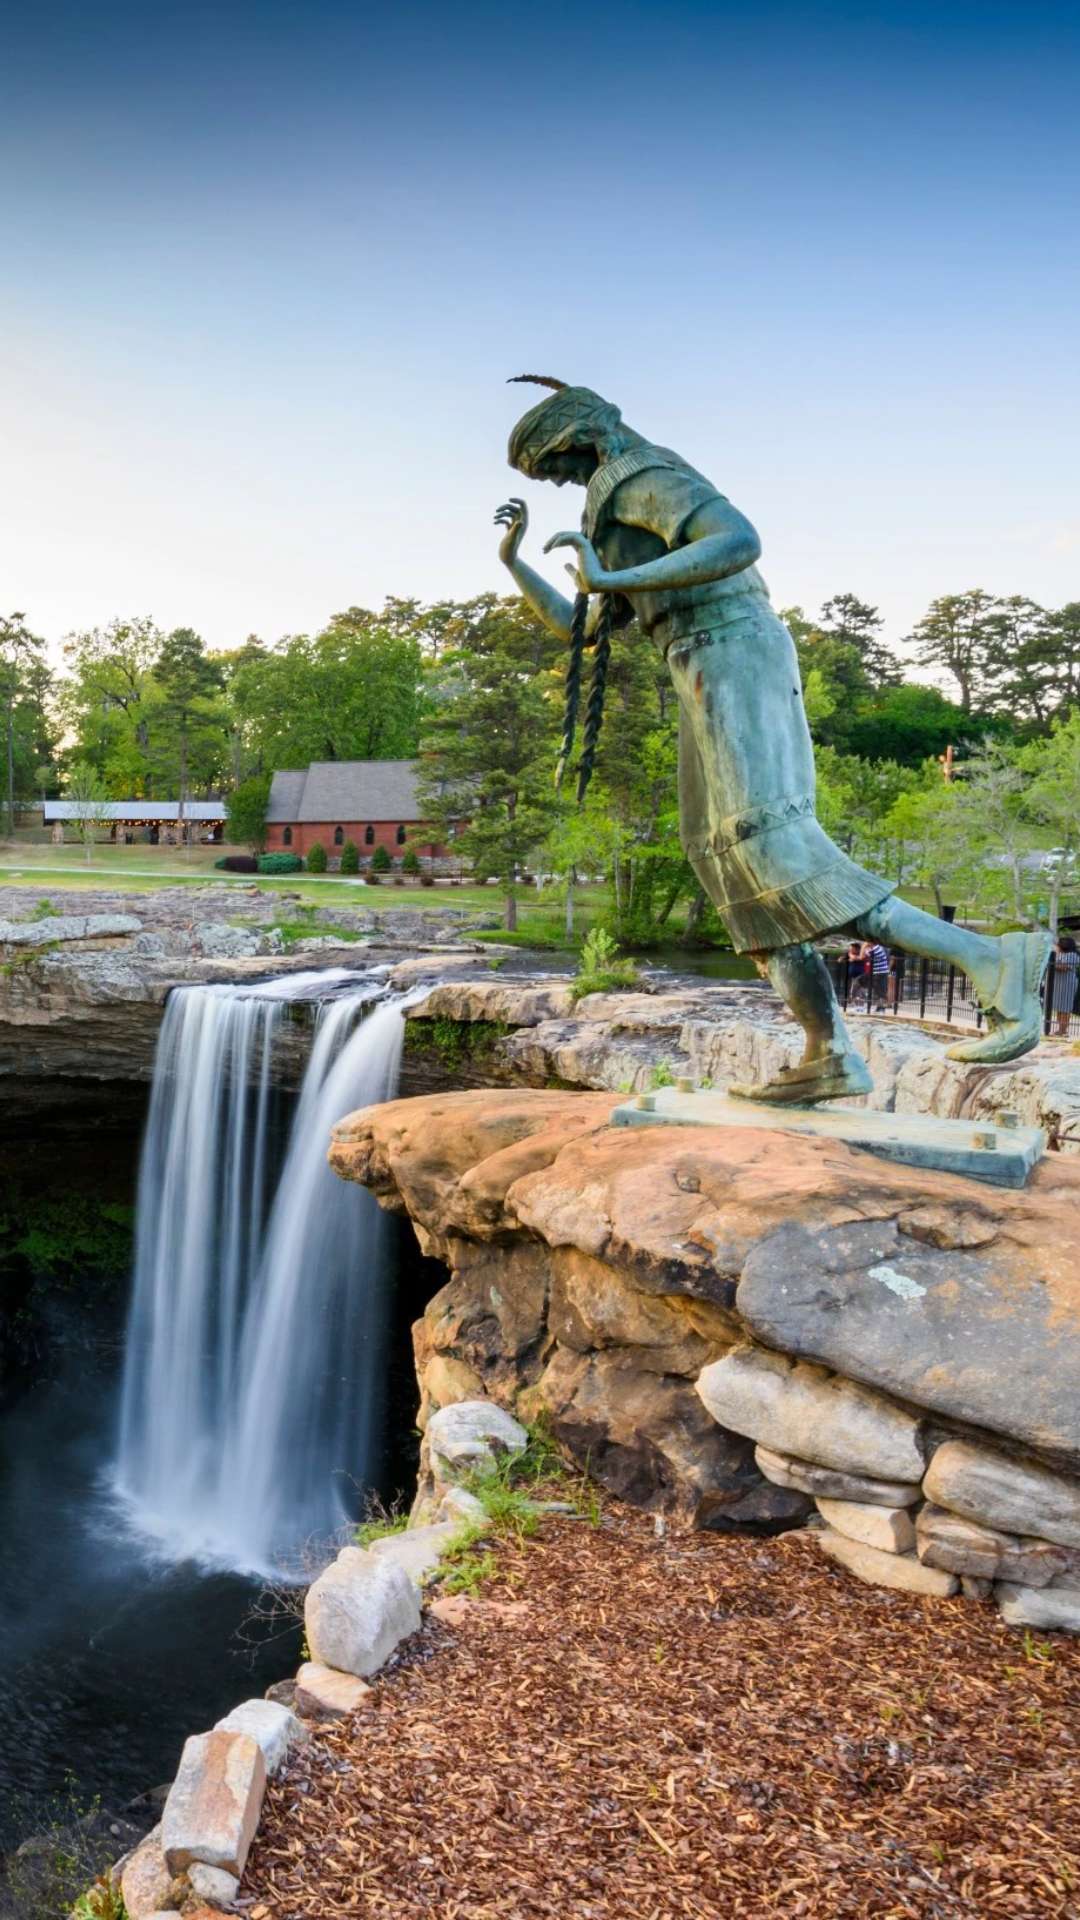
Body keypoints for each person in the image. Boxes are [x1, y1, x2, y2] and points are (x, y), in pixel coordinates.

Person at [495, 377, 1050, 1103]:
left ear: (579, 438)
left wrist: (617, 573)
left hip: (731, 650)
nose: (561, 480)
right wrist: (515, 562)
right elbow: (592, 627)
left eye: (556, 466)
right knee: (726, 863)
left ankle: (990, 958)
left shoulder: (642, 473)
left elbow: (737, 539)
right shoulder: (612, 498)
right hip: (694, 662)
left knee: (774, 847)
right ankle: (828, 1053)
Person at [1050, 935, 1080, 1037]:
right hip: (1058, 985)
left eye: (1058, 944)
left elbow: (1063, 967)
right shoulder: (1058, 955)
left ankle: (1063, 1030)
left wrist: (1051, 964)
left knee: (1065, 1007)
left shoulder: (1072, 955)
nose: (1056, 945)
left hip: (1067, 985)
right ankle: (1060, 1029)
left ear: (1063, 945)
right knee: (1059, 1007)